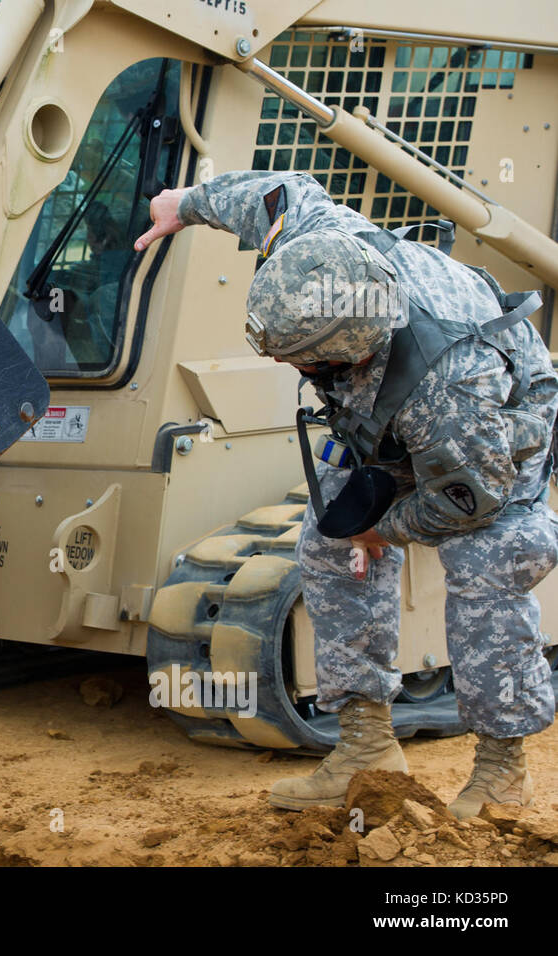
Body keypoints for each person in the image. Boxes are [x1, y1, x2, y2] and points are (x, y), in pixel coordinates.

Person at [135, 170, 558, 818]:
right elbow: (268, 194)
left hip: (496, 436)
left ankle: (502, 768)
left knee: (487, 566)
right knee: (327, 544)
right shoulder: (317, 242)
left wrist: (383, 530)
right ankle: (365, 746)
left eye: (300, 362)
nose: (283, 366)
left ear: (349, 359)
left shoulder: (454, 392)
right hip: (385, 424)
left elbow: (474, 497)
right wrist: (182, 204)